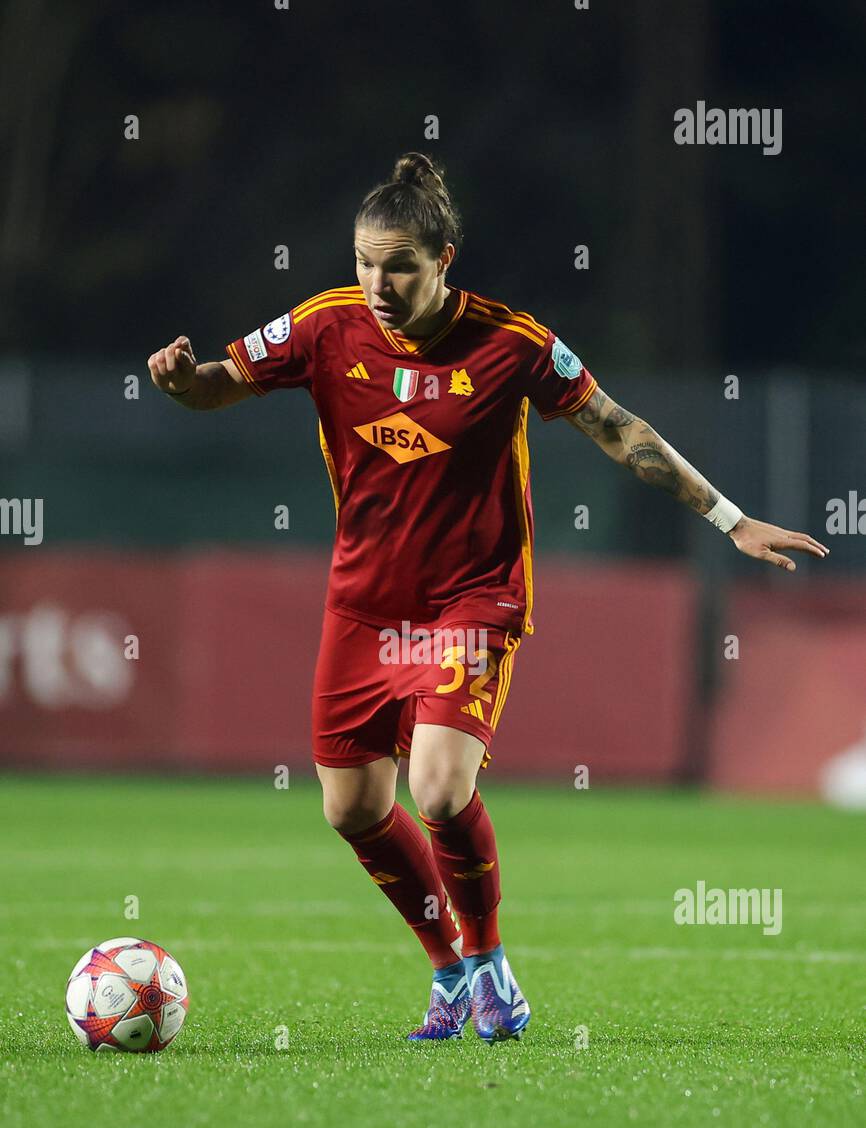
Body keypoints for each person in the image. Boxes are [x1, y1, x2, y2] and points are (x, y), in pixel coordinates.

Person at [147, 151, 828, 1043]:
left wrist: (732, 520)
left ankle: (491, 961)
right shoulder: (324, 327)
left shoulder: (513, 345)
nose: (378, 282)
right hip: (363, 605)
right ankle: (447, 972)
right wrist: (182, 383)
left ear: (444, 260)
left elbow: (620, 431)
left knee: (435, 787)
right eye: (363, 261)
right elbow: (220, 386)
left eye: (400, 264)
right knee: (351, 809)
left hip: (474, 599)